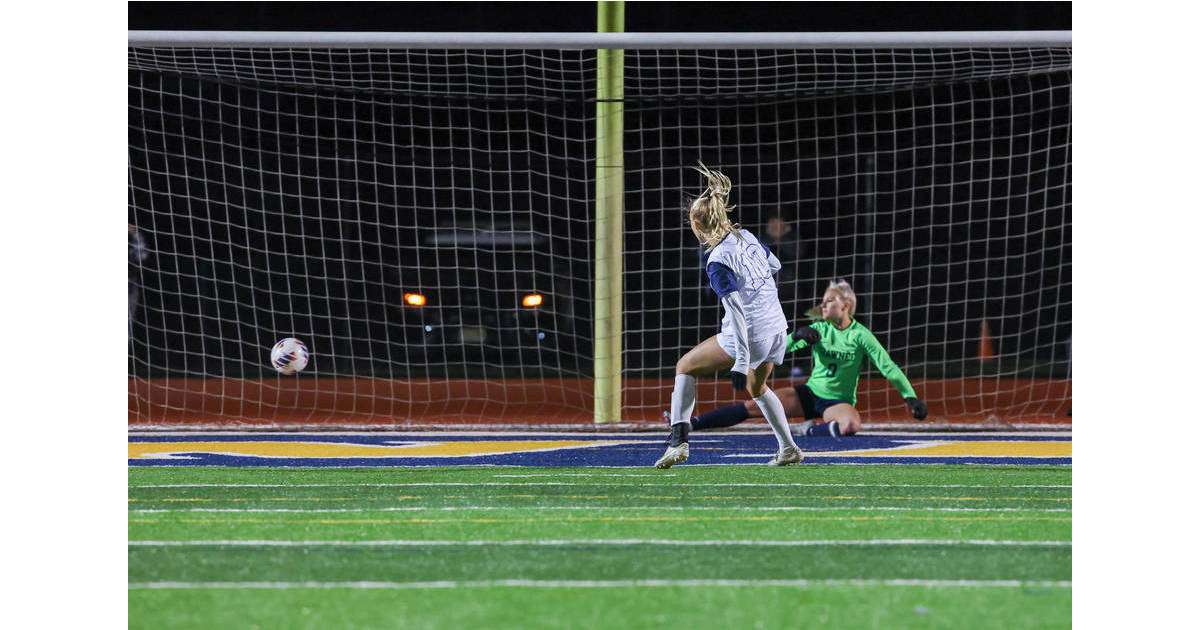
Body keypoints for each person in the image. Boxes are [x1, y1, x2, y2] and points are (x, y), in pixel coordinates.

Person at [655, 164, 802, 469]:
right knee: (757, 388)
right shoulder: (747, 236)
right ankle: (788, 448)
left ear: (696, 224)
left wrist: (739, 359)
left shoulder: (716, 261)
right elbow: (773, 265)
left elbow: (735, 309)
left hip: (750, 334)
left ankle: (677, 441)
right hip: (777, 327)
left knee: (685, 365)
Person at [682, 279, 928, 437]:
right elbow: (780, 350)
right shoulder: (819, 329)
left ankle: (807, 429)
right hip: (809, 394)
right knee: (751, 407)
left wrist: (911, 397)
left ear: (846, 305)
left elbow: (888, 367)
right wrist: (795, 335)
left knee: (850, 425)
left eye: (829, 301)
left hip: (836, 402)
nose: (823, 306)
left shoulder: (861, 335)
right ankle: (689, 424)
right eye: (822, 302)